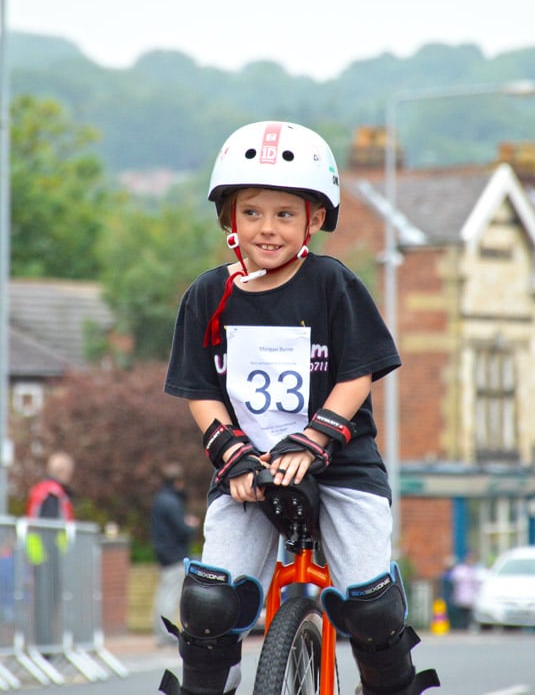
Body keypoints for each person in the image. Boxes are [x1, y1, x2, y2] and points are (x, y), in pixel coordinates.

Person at [160, 121, 439, 695]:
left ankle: (389, 686)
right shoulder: (208, 295)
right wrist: (231, 453)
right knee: (210, 602)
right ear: (229, 218)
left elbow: (357, 373)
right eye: (252, 212)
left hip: (339, 463)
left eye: (285, 214)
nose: (268, 228)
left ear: (313, 219)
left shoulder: (332, 283)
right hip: (250, 468)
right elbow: (199, 389)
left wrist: (314, 440)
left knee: (371, 606)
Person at [26, 451, 75, 647]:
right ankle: (45, 647)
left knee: (44, 602)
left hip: (40, 554)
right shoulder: (53, 493)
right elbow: (49, 529)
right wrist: (55, 553)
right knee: (47, 603)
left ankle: (45, 645)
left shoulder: (42, 490)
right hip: (47, 556)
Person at [150, 462, 200, 647]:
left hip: (165, 553)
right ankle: (166, 634)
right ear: (178, 481)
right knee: (169, 595)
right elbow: (181, 529)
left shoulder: (160, 500)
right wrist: (191, 525)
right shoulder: (172, 502)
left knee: (164, 593)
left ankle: (161, 632)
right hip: (175, 554)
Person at [447, 551, 484, 631]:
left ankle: (467, 628)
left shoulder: (476, 569)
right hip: (461, 597)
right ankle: (461, 628)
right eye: (469, 559)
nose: (470, 561)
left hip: (471, 598)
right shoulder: (461, 569)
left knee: (469, 615)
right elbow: (455, 578)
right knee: (461, 615)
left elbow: (479, 582)